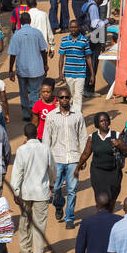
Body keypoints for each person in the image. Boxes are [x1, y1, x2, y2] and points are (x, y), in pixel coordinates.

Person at [8, 122, 54, 253]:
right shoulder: (45, 149)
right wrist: (51, 184)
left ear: (25, 136)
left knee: (25, 220)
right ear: (37, 134)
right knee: (40, 224)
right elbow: (52, 169)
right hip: (42, 192)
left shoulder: (22, 150)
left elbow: (17, 173)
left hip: (25, 193)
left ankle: (25, 250)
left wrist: (15, 191)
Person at [42, 87, 86, 228]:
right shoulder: (51, 116)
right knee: (56, 189)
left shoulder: (77, 115)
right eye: (61, 97)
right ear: (58, 99)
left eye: (67, 97)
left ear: (70, 98)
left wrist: (83, 158)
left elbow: (83, 137)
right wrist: (46, 159)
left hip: (73, 158)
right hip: (57, 158)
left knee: (72, 189)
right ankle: (59, 205)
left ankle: (69, 218)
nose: (64, 100)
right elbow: (46, 139)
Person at [7, 12, 49, 120]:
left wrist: (10, 69)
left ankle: (26, 113)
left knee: (23, 91)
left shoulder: (17, 34)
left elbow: (12, 54)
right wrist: (45, 64)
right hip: (36, 68)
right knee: (35, 90)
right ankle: (34, 109)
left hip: (22, 69)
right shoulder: (37, 33)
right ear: (30, 21)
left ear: (20, 22)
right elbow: (43, 50)